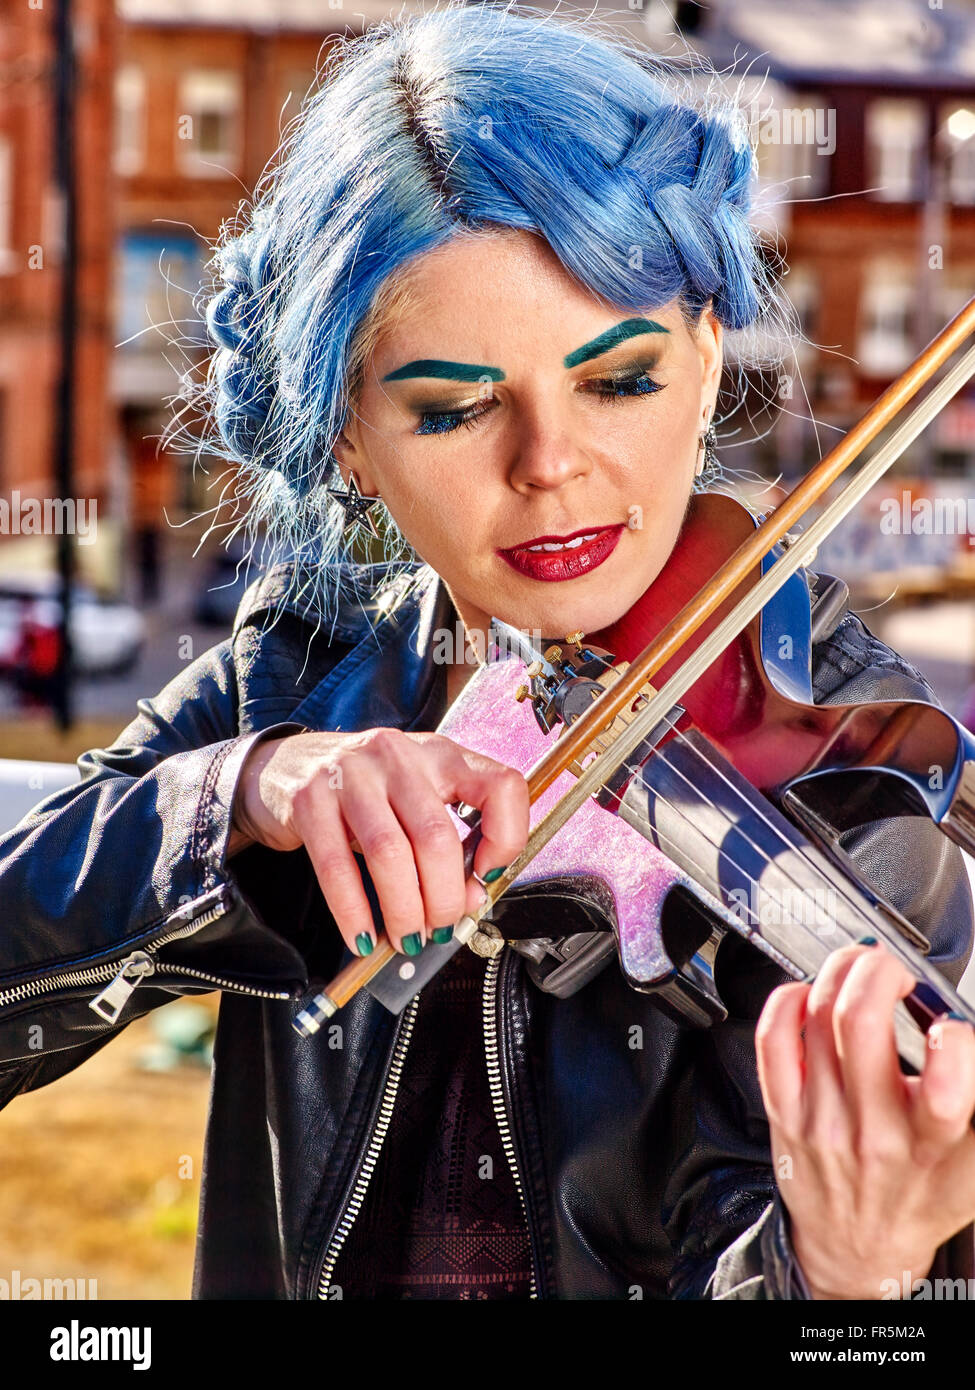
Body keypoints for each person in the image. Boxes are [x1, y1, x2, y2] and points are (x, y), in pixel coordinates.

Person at [1, 2, 974, 1301]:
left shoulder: (858, 792)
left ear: (701, 355)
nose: (552, 466)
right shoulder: (300, 677)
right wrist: (237, 794)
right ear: (348, 435)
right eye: (457, 406)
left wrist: (848, 1272)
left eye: (618, 378)